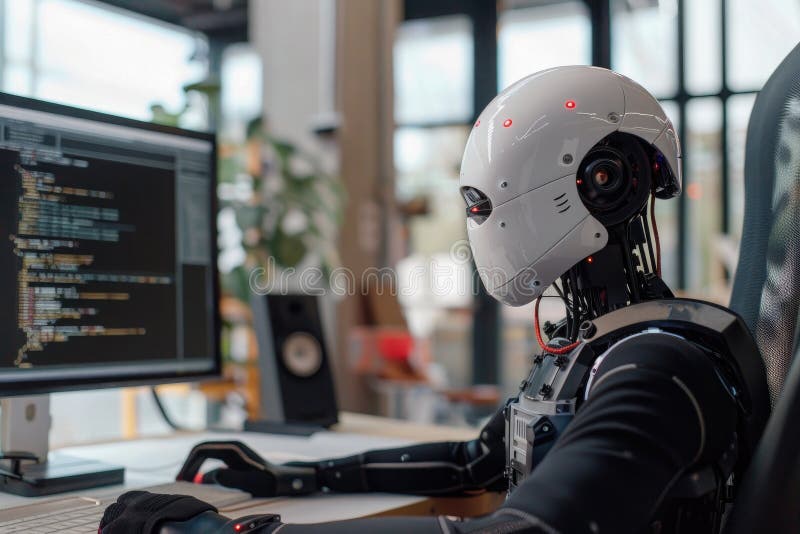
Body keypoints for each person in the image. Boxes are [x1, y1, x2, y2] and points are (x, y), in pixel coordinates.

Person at [99, 66, 769, 534]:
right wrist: (288, 478)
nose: (480, 221)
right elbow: (475, 462)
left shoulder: (655, 371)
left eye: (483, 204)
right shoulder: (597, 349)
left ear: (605, 183)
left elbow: (527, 529)